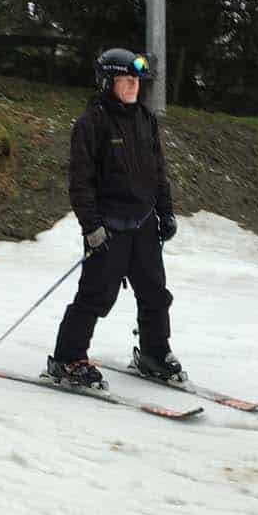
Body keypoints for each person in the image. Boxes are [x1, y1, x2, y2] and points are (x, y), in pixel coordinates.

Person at [48, 48, 180, 387]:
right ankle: (68, 358)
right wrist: (91, 227)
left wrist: (166, 213)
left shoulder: (145, 119)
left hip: (144, 224)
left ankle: (155, 351)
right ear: (108, 82)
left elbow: (158, 173)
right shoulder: (91, 124)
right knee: (96, 296)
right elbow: (80, 183)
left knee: (154, 292)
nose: (134, 86)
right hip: (108, 229)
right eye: (126, 79)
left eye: (137, 80)